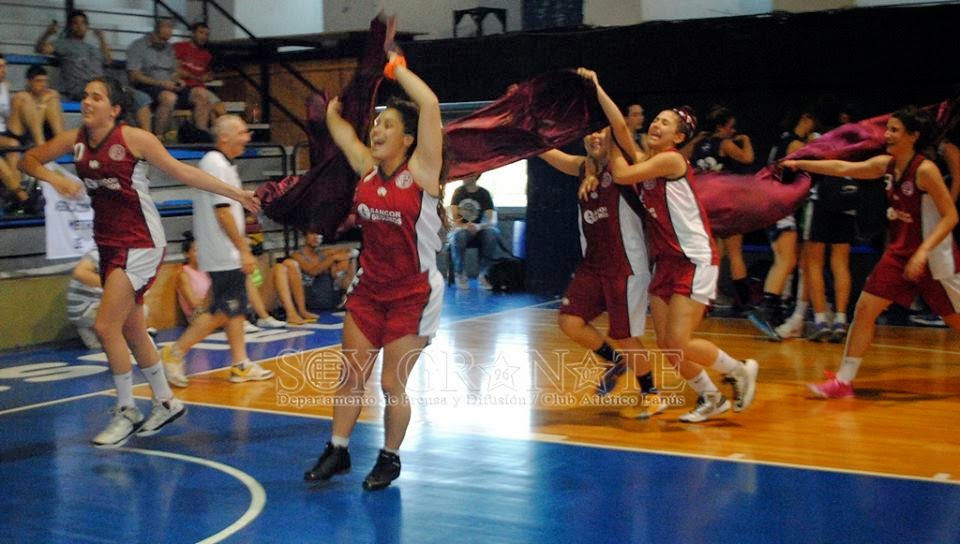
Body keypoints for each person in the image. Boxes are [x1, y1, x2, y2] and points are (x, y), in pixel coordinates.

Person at [19, 76, 259, 448]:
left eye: (96, 97)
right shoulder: (76, 139)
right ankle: (165, 402)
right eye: (84, 94)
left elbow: (184, 172)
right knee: (131, 330)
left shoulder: (133, 138)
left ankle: (127, 409)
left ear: (114, 109)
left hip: (141, 242)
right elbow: (28, 159)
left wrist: (237, 193)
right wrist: (55, 179)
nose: (86, 101)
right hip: (109, 244)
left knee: (105, 326)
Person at [304, 48, 445, 490]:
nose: (378, 128)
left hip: (414, 293)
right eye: (377, 123)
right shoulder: (366, 169)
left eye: (388, 124)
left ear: (408, 139)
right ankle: (338, 450)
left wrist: (396, 69)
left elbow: (430, 105)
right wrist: (334, 108)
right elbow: (341, 130)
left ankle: (390, 457)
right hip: (369, 290)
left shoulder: (422, 171)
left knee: (390, 383)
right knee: (352, 375)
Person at [784, 106, 960, 398]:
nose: (887, 135)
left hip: (935, 259)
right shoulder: (886, 164)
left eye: (894, 130)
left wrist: (923, 252)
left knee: (955, 321)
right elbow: (844, 168)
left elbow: (951, 216)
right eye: (887, 129)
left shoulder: (925, 170)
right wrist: (802, 164)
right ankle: (844, 380)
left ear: (913, 136)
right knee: (864, 310)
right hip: (900, 254)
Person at [602, 98, 759, 423]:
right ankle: (711, 398)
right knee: (667, 345)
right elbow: (620, 129)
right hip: (666, 260)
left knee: (678, 340)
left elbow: (620, 173)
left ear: (678, 138)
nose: (656, 125)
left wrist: (612, 144)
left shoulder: (671, 162)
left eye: (665, 123)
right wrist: (599, 94)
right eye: (655, 119)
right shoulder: (648, 161)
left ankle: (740, 370)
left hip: (694, 257)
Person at [539, 85, 663, 418]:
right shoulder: (582, 167)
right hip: (593, 265)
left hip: (626, 263)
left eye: (600, 130)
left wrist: (594, 87)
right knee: (570, 322)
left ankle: (651, 391)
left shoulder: (624, 167)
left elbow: (622, 130)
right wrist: (524, 118)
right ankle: (617, 362)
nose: (594, 136)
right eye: (588, 132)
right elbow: (545, 150)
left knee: (625, 334)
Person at [161, 115, 273, 387]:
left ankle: (240, 363)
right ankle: (174, 353)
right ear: (224, 137)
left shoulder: (224, 165)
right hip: (223, 252)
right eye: (242, 132)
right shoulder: (214, 162)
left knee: (234, 309)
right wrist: (243, 250)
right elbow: (222, 212)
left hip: (223, 252)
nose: (247, 138)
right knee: (225, 309)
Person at [761, 109, 818, 336]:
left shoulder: (781, 140)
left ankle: (775, 310)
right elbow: (808, 168)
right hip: (779, 205)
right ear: (805, 118)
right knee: (785, 260)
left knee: (786, 260)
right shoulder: (794, 144)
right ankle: (771, 314)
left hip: (773, 203)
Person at [272, 230, 357, 324]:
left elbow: (353, 251)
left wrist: (340, 263)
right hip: (310, 296)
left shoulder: (324, 252)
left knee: (348, 259)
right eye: (312, 233)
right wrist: (332, 259)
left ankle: (347, 296)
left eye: (319, 234)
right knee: (337, 259)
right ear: (305, 236)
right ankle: (300, 310)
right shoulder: (297, 255)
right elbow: (313, 271)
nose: (316, 237)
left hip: (329, 295)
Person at [35, 10, 112, 102]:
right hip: (81, 89)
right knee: (107, 94)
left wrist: (102, 39)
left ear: (87, 27)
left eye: (83, 23)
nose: (79, 26)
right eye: (75, 23)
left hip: (101, 86)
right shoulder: (63, 44)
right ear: (70, 27)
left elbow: (108, 60)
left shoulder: (93, 48)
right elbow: (40, 49)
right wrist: (48, 33)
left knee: (127, 94)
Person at [0, 55, 43, 215]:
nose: (2, 70)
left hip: (5, 132)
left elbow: (6, 115)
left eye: (4, 66)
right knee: (12, 146)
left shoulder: (4, 85)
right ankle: (22, 197)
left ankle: (41, 146)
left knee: (23, 97)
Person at [448, 174, 505, 289]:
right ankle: (460, 273)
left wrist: (478, 226)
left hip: (479, 229)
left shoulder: (484, 193)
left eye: (467, 175)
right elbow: (454, 217)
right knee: (459, 236)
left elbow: (491, 219)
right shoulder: (458, 192)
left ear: (475, 176)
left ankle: (484, 274)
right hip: (462, 229)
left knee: (492, 233)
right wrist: (465, 226)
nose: (464, 177)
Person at [127, 18, 180, 136]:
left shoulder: (169, 48)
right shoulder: (138, 46)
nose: (171, 31)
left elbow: (174, 72)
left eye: (172, 28)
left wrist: (178, 80)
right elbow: (134, 76)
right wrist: (161, 83)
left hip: (168, 85)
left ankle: (202, 139)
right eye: (168, 27)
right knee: (169, 98)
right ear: (159, 28)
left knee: (200, 95)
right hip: (146, 85)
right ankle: (157, 138)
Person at [173, 21, 226, 133]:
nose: (204, 36)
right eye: (201, 32)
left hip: (200, 88)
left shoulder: (207, 55)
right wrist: (198, 78)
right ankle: (203, 134)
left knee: (219, 108)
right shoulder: (180, 47)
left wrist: (209, 76)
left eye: (206, 34)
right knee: (203, 98)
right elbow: (176, 70)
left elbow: (207, 74)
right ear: (193, 33)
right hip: (185, 87)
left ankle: (213, 135)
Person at [67, 249, 103, 350]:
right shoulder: (102, 252)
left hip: (79, 314)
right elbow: (79, 273)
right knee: (138, 308)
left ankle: (91, 334)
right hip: (89, 311)